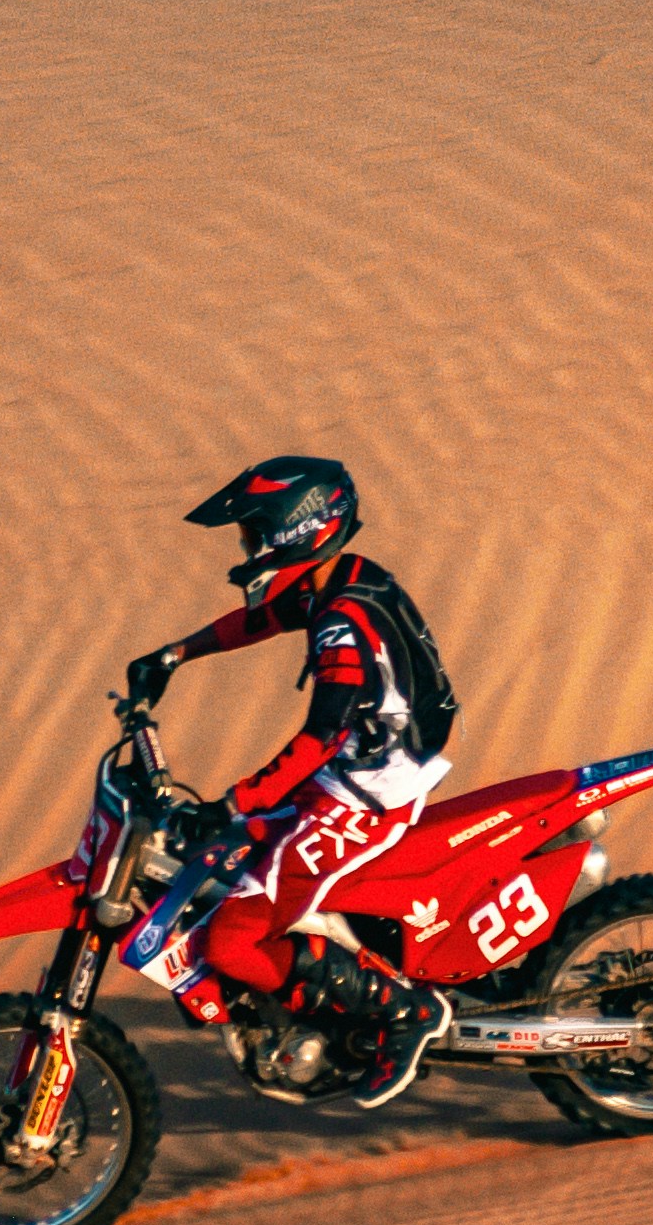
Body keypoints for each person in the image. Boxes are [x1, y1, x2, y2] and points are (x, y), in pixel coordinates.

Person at [117, 455, 456, 1107]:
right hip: (363, 765)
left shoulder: (341, 623)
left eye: (252, 531)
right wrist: (174, 655)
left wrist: (236, 802)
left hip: (368, 789)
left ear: (296, 529)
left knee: (234, 938)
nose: (245, 546)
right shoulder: (345, 578)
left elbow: (319, 737)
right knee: (239, 852)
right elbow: (267, 617)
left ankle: (404, 1012)